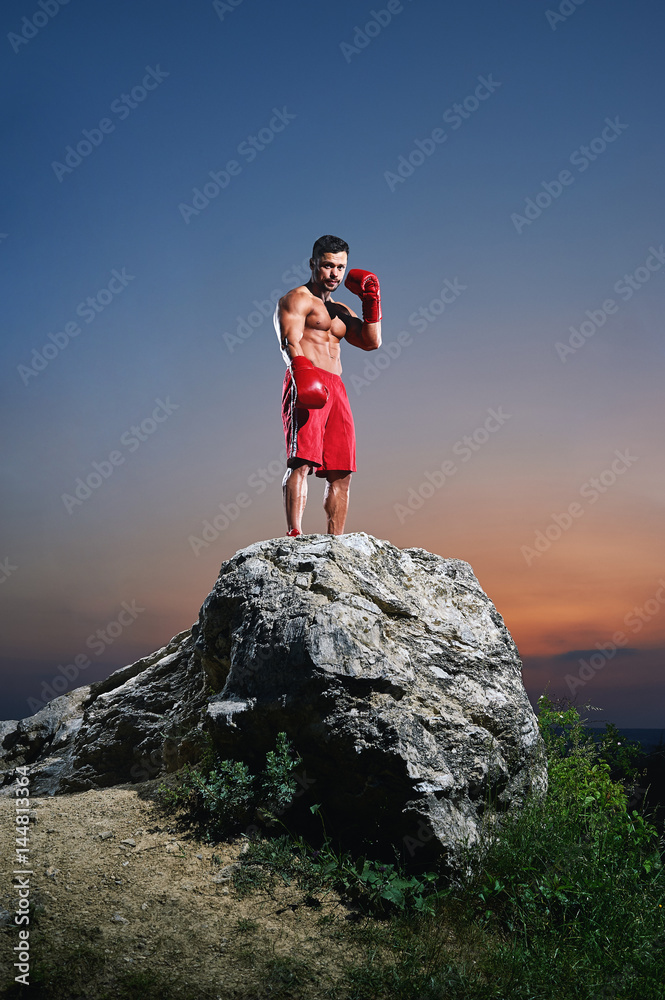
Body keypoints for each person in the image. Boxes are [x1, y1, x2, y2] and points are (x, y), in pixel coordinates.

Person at [274, 235, 382, 536]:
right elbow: (289, 341)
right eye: (327, 265)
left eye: (340, 267)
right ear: (313, 264)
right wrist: (301, 373)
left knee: (341, 471)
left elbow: (372, 343)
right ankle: (294, 533)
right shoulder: (297, 299)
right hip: (306, 377)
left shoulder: (341, 310)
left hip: (337, 388)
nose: (334, 273)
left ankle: (336, 542)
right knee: (302, 461)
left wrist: (371, 303)